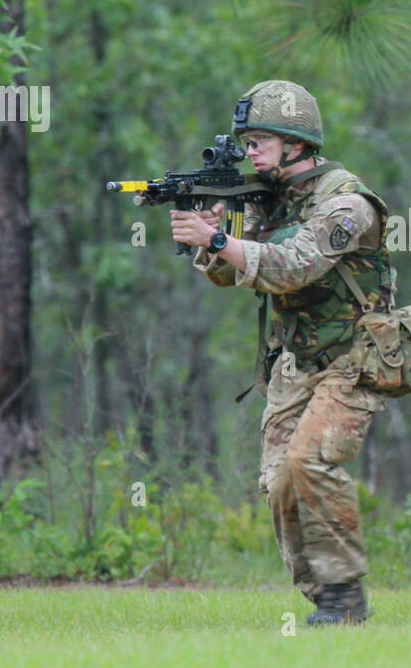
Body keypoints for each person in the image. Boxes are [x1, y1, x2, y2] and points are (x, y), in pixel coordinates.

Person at [170, 79, 397, 625]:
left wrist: (220, 239)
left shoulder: (346, 203)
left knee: (309, 460)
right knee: (278, 481)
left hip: (354, 357)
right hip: (297, 359)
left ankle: (345, 594)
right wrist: (213, 236)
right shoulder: (271, 201)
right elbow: (234, 276)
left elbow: (295, 263)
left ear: (296, 143)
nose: (249, 152)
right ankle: (325, 599)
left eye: (259, 142)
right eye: (245, 143)